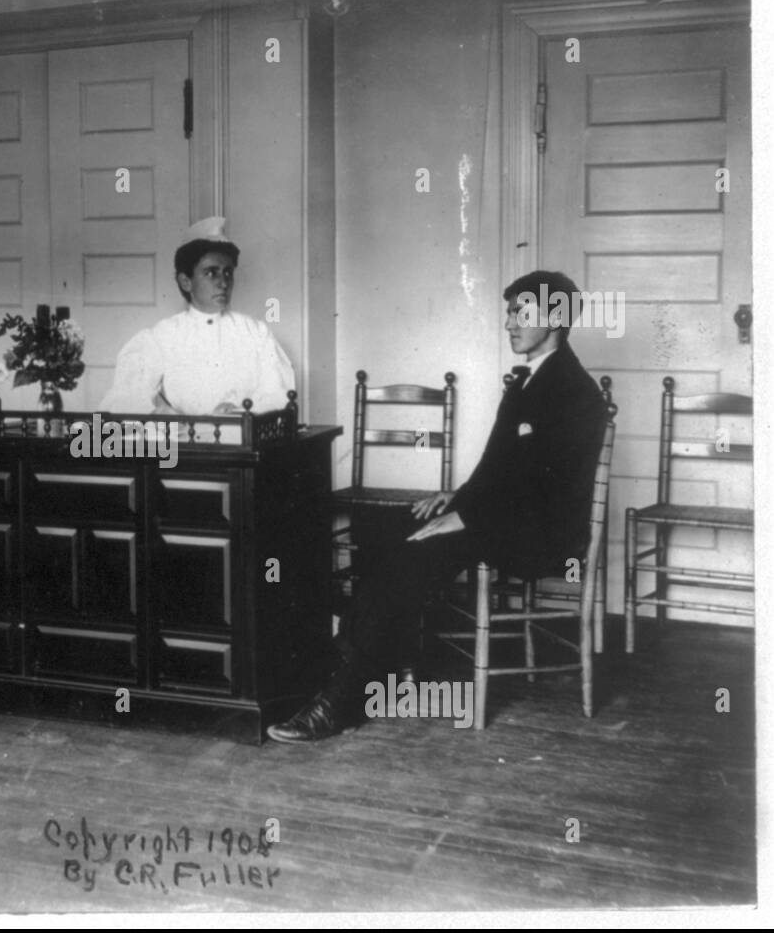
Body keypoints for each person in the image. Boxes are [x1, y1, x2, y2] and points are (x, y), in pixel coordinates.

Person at [267, 270, 607, 743]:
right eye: (508, 311)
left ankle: (341, 701)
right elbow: (499, 468)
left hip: (540, 534)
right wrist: (458, 500)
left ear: (554, 317)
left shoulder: (574, 391)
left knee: (414, 554)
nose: (508, 322)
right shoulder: (531, 378)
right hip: (502, 517)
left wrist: (466, 517)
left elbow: (541, 490)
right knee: (384, 528)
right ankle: (362, 660)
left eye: (519, 312)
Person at [100, 217, 296, 415]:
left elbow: (280, 393)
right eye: (211, 273)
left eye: (227, 273)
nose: (223, 283)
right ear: (186, 282)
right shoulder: (162, 337)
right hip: (184, 443)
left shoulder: (256, 332)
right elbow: (124, 396)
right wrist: (159, 413)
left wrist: (244, 410)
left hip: (242, 441)